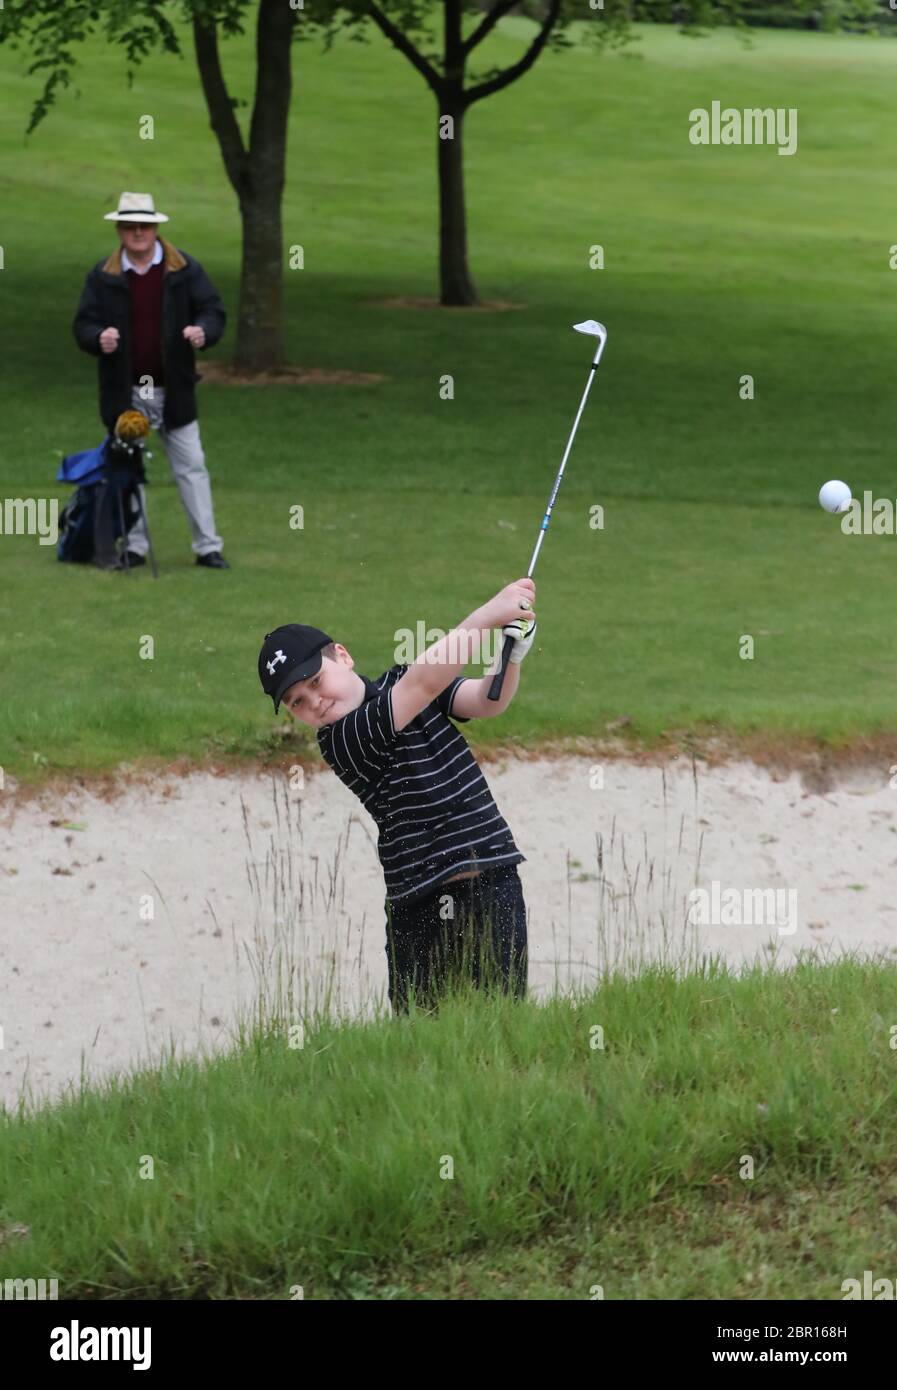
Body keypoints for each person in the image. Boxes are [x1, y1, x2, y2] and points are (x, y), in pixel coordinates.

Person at [257, 580, 538, 1013]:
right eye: (296, 702)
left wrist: (510, 655)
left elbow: (486, 701)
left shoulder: (404, 678)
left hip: (493, 881)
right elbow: (421, 688)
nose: (313, 701)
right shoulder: (342, 739)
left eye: (315, 680)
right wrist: (489, 614)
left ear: (343, 656)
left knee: (504, 1022)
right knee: (422, 1038)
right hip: (419, 905)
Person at [72, 191, 229, 570]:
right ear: (119, 230)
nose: (138, 231)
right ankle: (136, 547)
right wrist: (99, 338)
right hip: (125, 393)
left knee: (191, 465)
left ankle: (207, 546)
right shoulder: (103, 275)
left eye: (144, 225)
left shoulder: (184, 270)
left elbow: (213, 311)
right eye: (130, 226)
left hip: (173, 388)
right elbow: (83, 325)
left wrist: (202, 331)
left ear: (156, 227)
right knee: (129, 471)